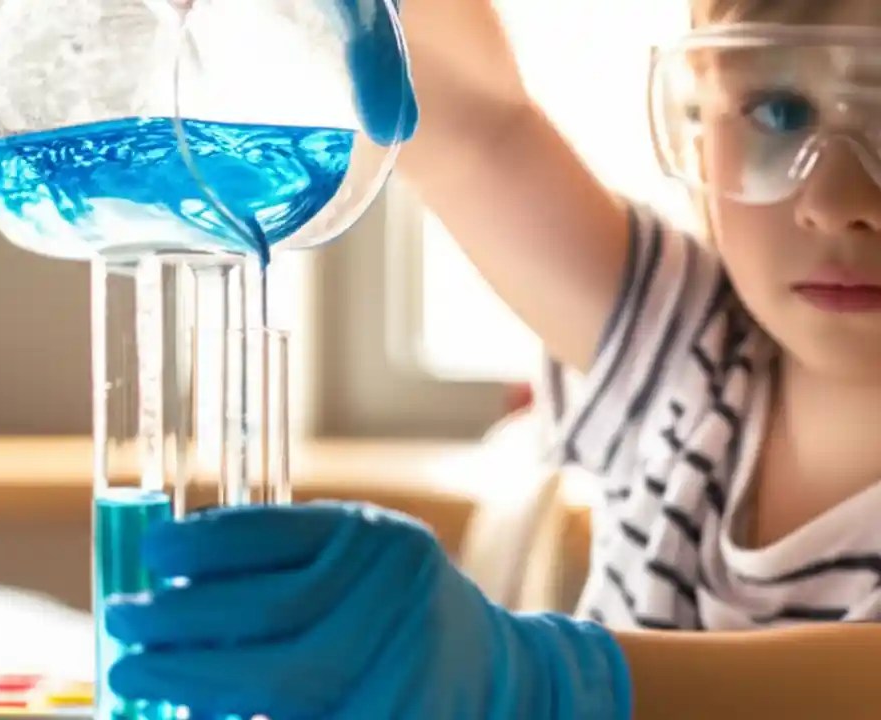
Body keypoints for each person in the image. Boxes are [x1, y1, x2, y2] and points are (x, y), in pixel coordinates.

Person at [106, 0, 881, 717]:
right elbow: (475, 126)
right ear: (695, 118)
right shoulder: (691, 349)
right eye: (780, 112)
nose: (837, 200)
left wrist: (544, 681)